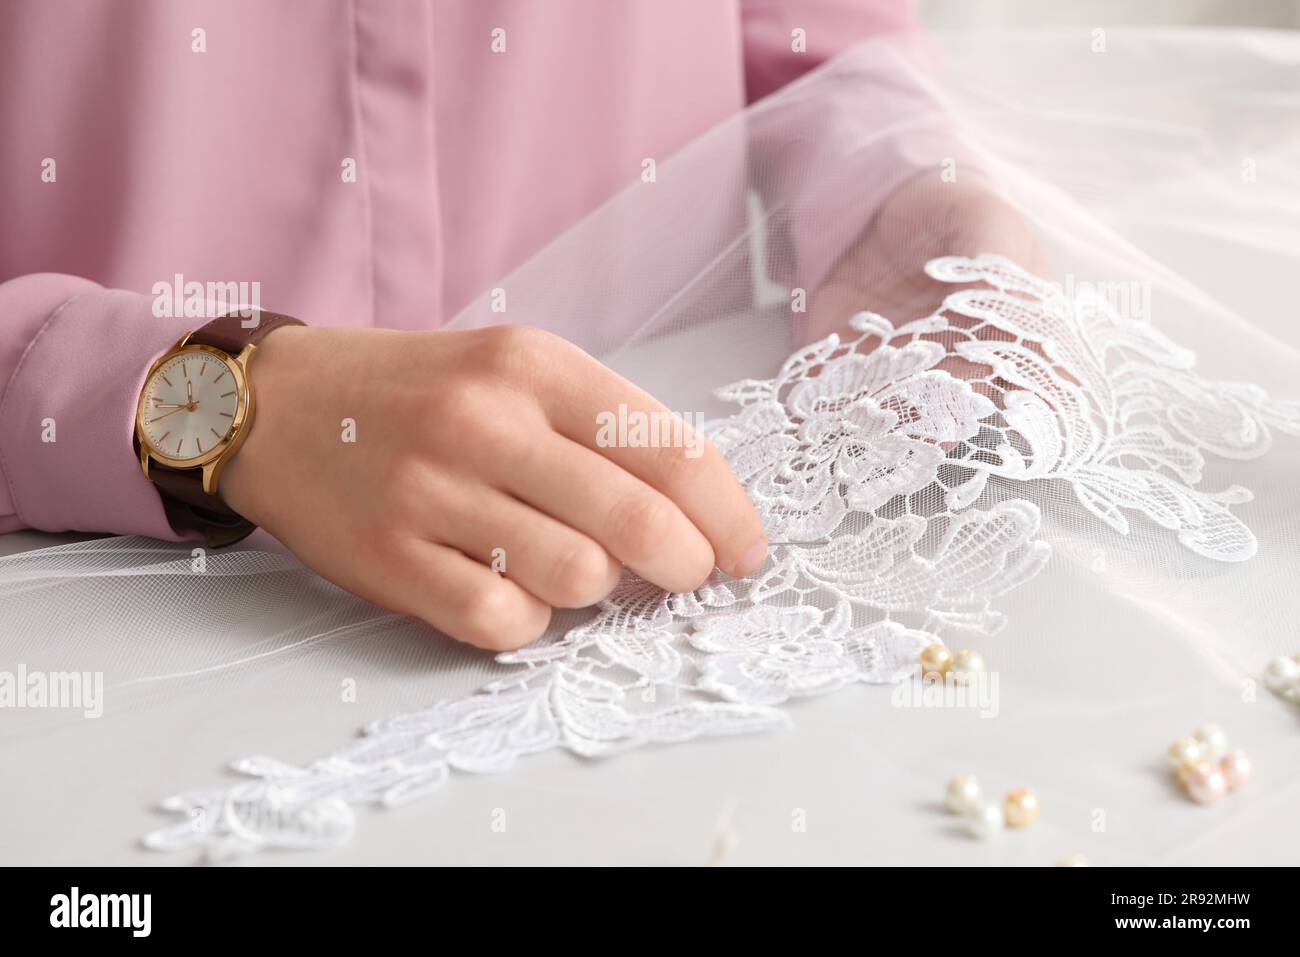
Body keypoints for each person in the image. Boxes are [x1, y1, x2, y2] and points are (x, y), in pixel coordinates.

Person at [0, 0, 1039, 650]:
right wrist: (210, 400)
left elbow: (812, 31)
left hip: (679, 495)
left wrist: (892, 187)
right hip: (123, 616)